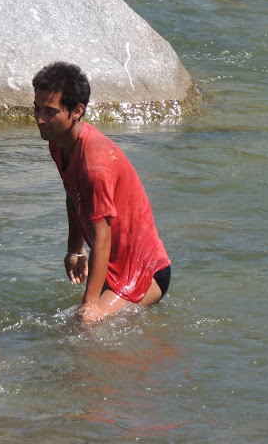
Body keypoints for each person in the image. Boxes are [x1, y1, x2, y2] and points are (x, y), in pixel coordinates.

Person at [32, 62, 171, 324]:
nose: (40, 119)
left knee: (84, 326)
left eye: (50, 112)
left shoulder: (95, 167)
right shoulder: (59, 143)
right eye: (37, 109)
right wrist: (76, 249)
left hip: (143, 272)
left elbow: (102, 236)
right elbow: (73, 198)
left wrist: (90, 304)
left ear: (77, 111)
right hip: (111, 268)